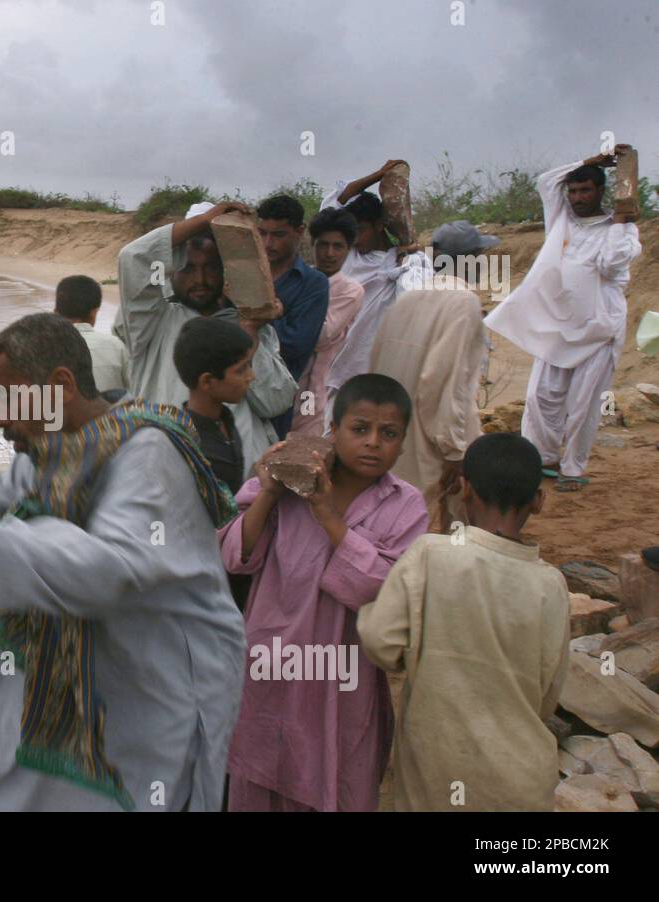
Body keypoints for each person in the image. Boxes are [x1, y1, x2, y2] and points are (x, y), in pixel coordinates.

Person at [0, 312, 246, 811]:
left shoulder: (148, 454)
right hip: (59, 689)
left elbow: (107, 571)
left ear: (60, 385)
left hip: (140, 698)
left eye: (7, 400)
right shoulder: (48, 454)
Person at [219, 373, 429, 811]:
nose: (373, 443)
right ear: (333, 431)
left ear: (404, 442)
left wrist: (327, 513)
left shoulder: (405, 505)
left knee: (339, 768)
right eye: (359, 429)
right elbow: (236, 556)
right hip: (274, 658)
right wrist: (271, 494)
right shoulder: (291, 480)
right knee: (263, 769)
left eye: (388, 434)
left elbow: (383, 589)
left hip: (344, 672)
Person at [357, 433, 571, 811]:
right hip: (521, 775)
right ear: (538, 500)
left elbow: (380, 642)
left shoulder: (430, 554)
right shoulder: (550, 584)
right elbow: (548, 689)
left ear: (465, 489)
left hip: (438, 764)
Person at [484, 148, 643, 492]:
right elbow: (546, 180)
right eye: (573, 191)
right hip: (557, 327)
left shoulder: (623, 229)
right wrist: (593, 160)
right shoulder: (561, 220)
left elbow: (612, 264)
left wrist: (620, 219)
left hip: (599, 329)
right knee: (541, 399)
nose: (578, 197)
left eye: (586, 190)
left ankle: (573, 467)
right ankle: (541, 458)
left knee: (583, 405)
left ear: (601, 191)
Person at [117, 201, 299, 475]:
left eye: (211, 267)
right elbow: (133, 258)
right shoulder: (152, 322)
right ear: (171, 269)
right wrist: (204, 221)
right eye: (188, 268)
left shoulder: (250, 323)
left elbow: (275, 402)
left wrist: (249, 330)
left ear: (226, 271)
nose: (200, 279)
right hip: (166, 472)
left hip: (242, 485)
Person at [368, 221, 497, 530]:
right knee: (445, 516)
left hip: (397, 426)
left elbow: (376, 362)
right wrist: (454, 450)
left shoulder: (410, 297)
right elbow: (445, 382)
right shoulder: (463, 302)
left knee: (398, 514)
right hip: (434, 432)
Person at [319, 161, 428, 409]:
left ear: (379, 225)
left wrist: (405, 259)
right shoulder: (347, 256)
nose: (356, 239)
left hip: (383, 373)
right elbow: (335, 202)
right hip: (339, 372)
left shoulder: (408, 262)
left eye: (362, 231)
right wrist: (379, 175)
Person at [175, 316, 256, 614]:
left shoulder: (225, 419)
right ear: (208, 382)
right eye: (241, 369)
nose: (252, 376)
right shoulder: (188, 445)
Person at [256, 194, 330, 438]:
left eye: (278, 235)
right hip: (230, 395)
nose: (268, 243)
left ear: (299, 231)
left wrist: (264, 317)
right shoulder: (242, 272)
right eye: (262, 233)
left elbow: (296, 344)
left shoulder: (313, 284)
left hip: (274, 401)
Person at [290, 208, 365, 437]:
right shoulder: (300, 278)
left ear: (349, 250)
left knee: (301, 442)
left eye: (338, 246)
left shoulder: (349, 291)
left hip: (311, 388)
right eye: (323, 245)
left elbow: (320, 334)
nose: (329, 253)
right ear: (312, 245)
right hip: (282, 381)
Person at [55, 274, 130, 397]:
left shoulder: (41, 349)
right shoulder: (116, 346)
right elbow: (136, 391)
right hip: (111, 414)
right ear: (94, 313)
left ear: (55, 312)